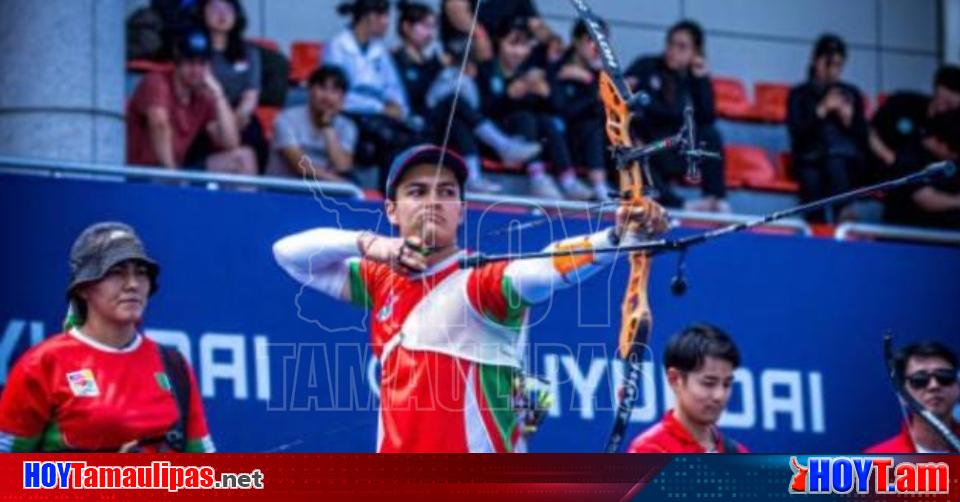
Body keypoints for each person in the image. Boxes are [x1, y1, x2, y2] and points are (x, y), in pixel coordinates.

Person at [273, 144, 669, 452]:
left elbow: (546, 267)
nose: (433, 201)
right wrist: (371, 245)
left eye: (446, 192)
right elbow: (289, 254)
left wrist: (615, 238)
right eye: (417, 191)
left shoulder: (484, 284)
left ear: (461, 211)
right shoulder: (381, 279)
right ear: (392, 210)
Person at [0, 223, 214, 453]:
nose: (132, 284)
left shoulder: (173, 365)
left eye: (141, 273)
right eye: (115, 272)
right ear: (83, 288)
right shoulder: (42, 365)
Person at [393, 0, 539, 192]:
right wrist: (438, 68)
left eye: (433, 26)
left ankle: (473, 175)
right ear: (406, 27)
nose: (430, 32)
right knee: (453, 101)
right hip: (418, 120)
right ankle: (501, 144)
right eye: (424, 26)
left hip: (445, 121)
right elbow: (413, 96)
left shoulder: (436, 55)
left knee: (457, 113)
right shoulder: (396, 58)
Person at [476, 19, 587, 200]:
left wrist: (546, 94)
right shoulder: (487, 70)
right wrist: (508, 96)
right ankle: (537, 177)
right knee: (524, 116)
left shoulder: (533, 72)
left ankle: (568, 180)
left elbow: (560, 109)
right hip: (495, 141)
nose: (519, 52)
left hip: (530, 140)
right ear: (499, 42)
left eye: (524, 46)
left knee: (545, 120)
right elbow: (482, 112)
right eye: (513, 44)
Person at [624, 20, 728, 212]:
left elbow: (707, 118)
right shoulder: (646, 66)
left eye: (682, 47)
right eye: (671, 44)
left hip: (677, 150)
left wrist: (702, 80)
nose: (673, 50)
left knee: (710, 134)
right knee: (631, 147)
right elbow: (622, 101)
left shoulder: (694, 78)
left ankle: (716, 200)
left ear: (696, 52)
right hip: (649, 144)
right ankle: (681, 204)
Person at [126, 30, 257, 176]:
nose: (196, 70)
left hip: (177, 171)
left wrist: (219, 94)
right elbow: (159, 124)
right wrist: (172, 176)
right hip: (142, 174)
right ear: (177, 62)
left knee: (243, 157)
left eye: (202, 64)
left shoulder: (203, 95)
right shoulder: (157, 81)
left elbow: (230, 143)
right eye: (190, 62)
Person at [325, 0, 419, 189]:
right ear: (370, 17)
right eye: (384, 17)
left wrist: (399, 108)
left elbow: (393, 87)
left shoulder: (380, 50)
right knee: (387, 139)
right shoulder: (337, 46)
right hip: (350, 112)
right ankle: (386, 194)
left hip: (380, 114)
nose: (387, 23)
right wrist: (380, 108)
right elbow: (337, 94)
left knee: (415, 136)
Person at [628, 324, 748, 453]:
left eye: (727, 384)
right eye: (708, 383)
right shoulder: (649, 450)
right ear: (674, 379)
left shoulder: (738, 453)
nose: (719, 395)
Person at [787, 34, 869, 223]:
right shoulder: (799, 94)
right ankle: (818, 229)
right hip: (809, 159)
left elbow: (864, 138)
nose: (833, 71)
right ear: (816, 61)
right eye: (829, 63)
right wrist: (821, 110)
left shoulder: (851, 93)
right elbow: (797, 133)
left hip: (845, 162)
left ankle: (844, 211)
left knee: (836, 159)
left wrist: (849, 119)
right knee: (812, 178)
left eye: (839, 65)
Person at [197, 0, 269, 171]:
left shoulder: (249, 52)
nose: (222, 14)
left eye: (228, 9)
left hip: (240, 114)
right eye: (215, 8)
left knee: (252, 142)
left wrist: (236, 119)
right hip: (205, 112)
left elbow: (251, 92)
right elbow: (199, 88)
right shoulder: (197, 50)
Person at [549, 19, 616, 201]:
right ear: (576, 40)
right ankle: (598, 185)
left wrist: (589, 82)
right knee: (591, 124)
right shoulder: (558, 67)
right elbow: (558, 109)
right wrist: (592, 93)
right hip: (562, 142)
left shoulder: (600, 76)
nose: (597, 48)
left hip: (594, 146)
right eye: (591, 40)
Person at [266, 66, 358, 182]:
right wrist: (337, 181)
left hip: (327, 193)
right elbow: (300, 165)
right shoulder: (286, 119)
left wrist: (327, 126)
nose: (327, 96)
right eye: (322, 88)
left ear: (342, 98)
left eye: (334, 91)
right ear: (310, 90)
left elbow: (343, 166)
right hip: (286, 189)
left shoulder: (347, 126)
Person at [865, 341, 960, 453]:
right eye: (919, 379)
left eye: (944, 377)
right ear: (902, 394)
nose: (934, 385)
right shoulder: (878, 460)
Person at [870, 65, 960, 168]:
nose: (948, 98)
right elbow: (872, 129)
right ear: (936, 87)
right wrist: (887, 155)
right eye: (947, 90)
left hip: (921, 173)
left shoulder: (953, 124)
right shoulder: (904, 102)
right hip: (881, 161)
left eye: (950, 103)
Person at [883, 110, 960, 229]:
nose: (955, 157)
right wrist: (957, 201)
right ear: (942, 144)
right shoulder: (909, 157)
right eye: (955, 152)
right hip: (909, 232)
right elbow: (925, 199)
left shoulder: (950, 159)